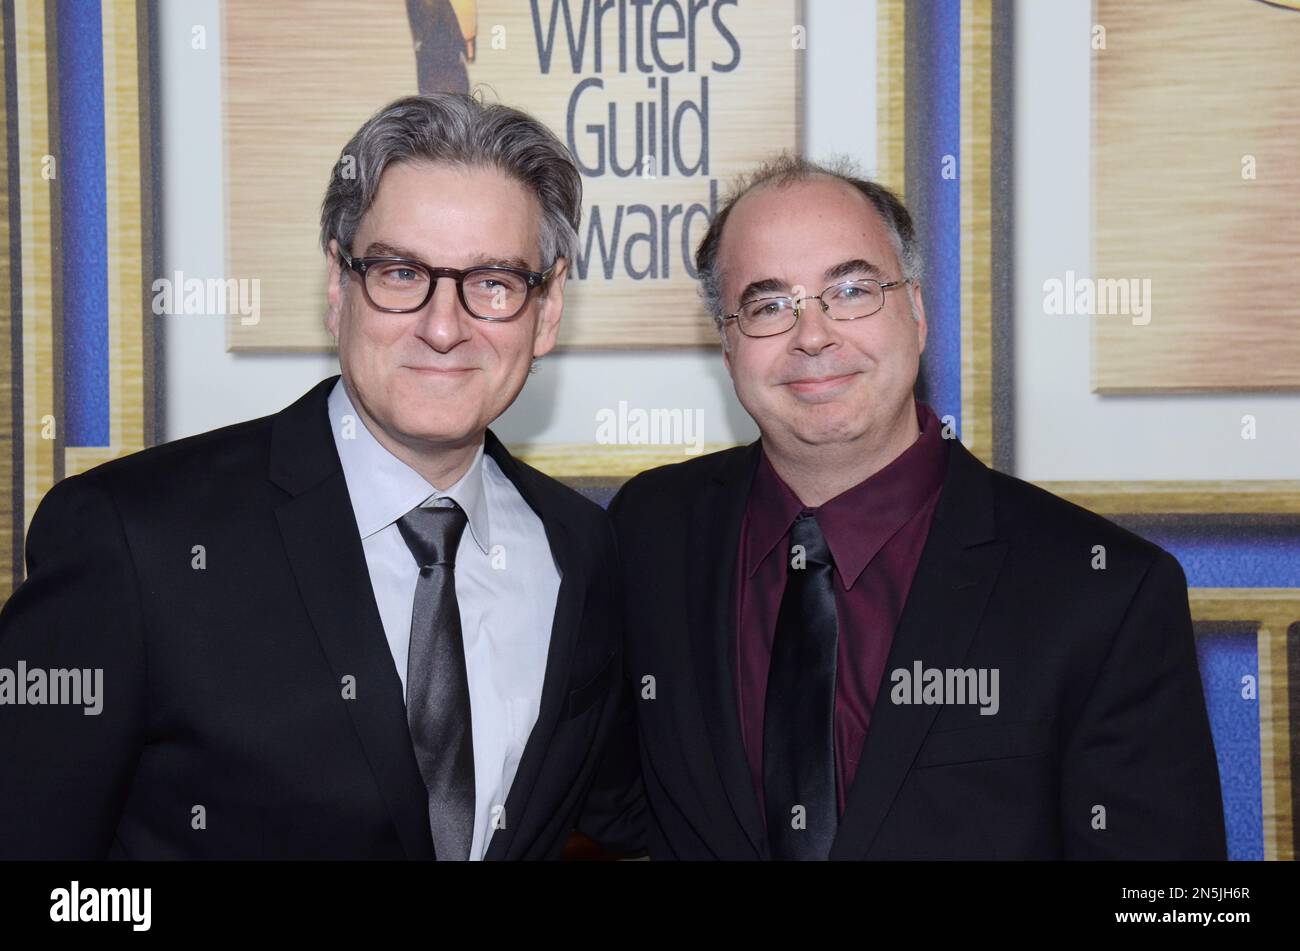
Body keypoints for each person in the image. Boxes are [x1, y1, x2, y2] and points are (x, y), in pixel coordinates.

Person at [0, 93, 642, 860]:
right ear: (338, 282)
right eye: (402, 273)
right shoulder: (131, 537)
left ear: (546, 308)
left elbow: (629, 810)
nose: (444, 327)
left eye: (494, 282)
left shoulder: (579, 546)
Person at [607, 154, 1226, 860]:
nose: (813, 335)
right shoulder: (650, 534)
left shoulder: (1104, 591)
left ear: (919, 313)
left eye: (851, 289)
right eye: (769, 304)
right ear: (727, 345)